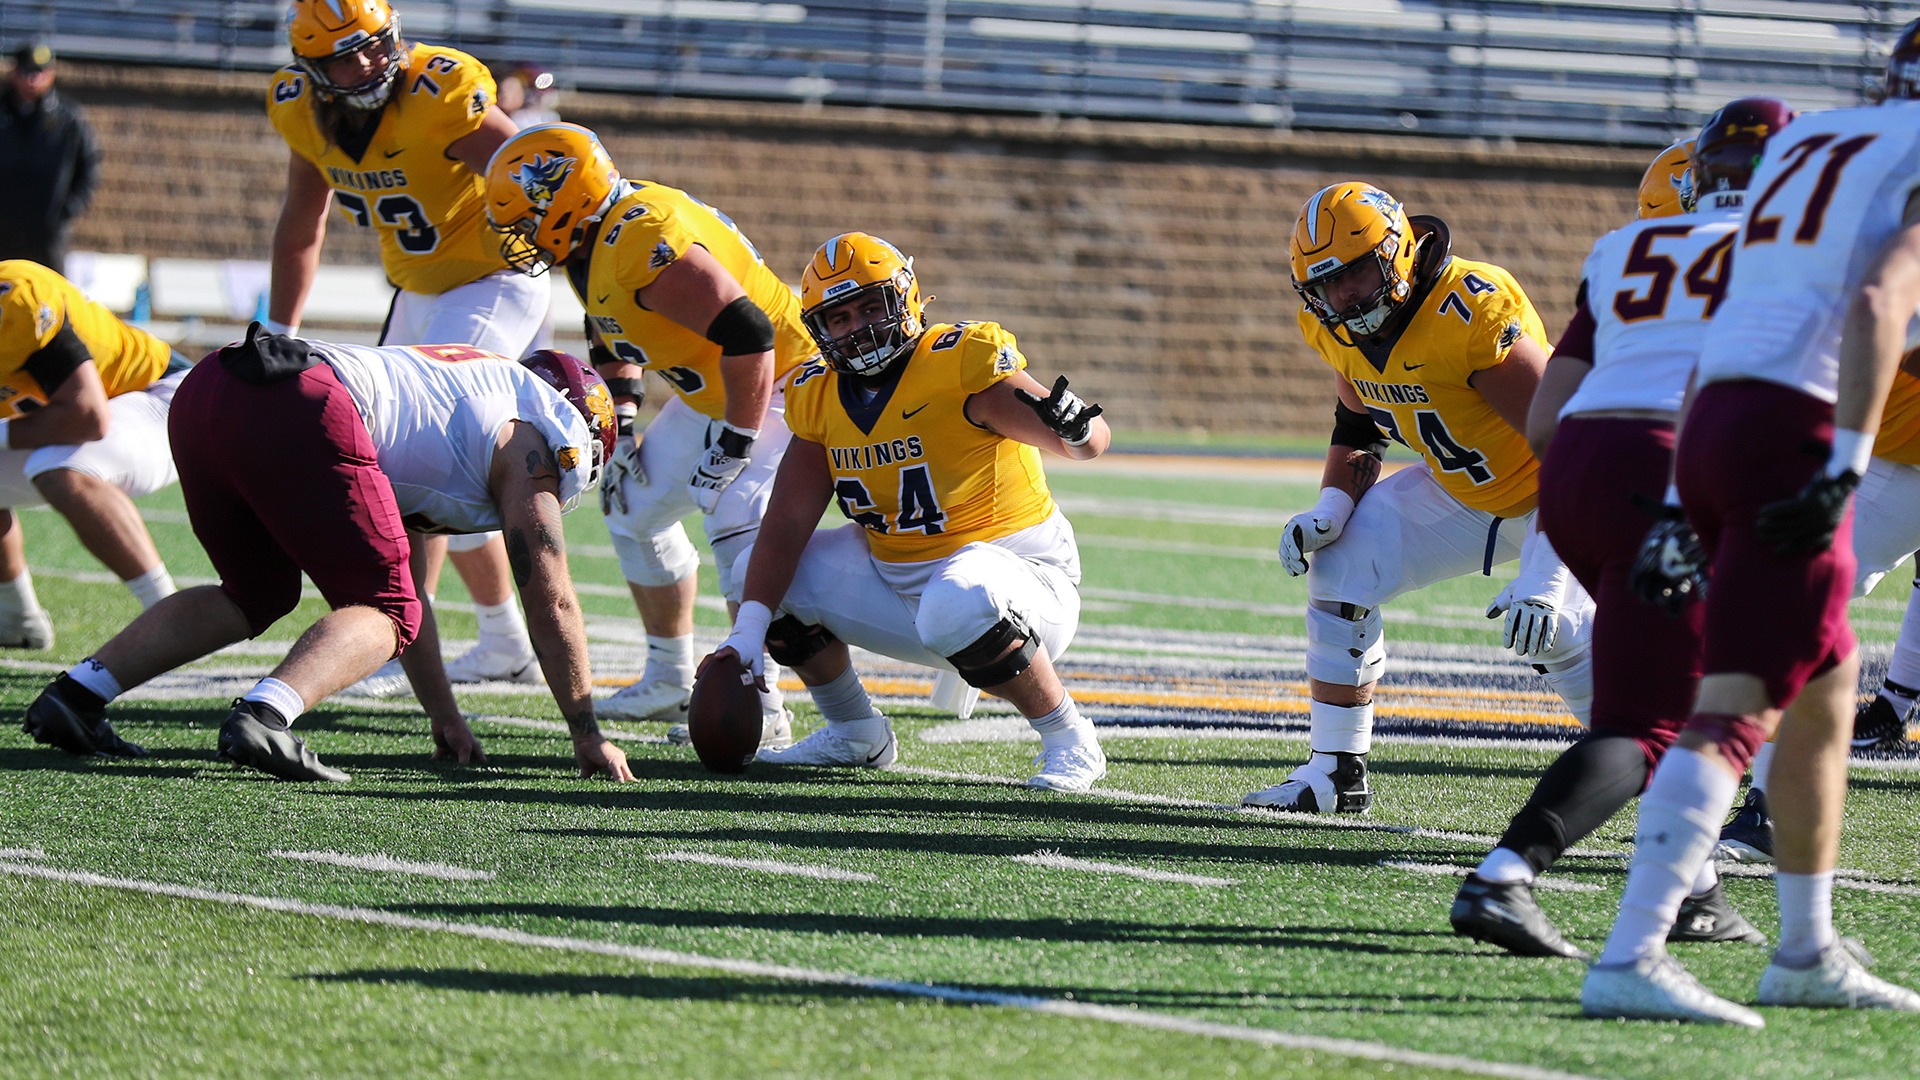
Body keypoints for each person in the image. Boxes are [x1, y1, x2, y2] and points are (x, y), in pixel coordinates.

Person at [1580, 27, 1920, 1024]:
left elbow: (1738, 303)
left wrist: (1691, 484)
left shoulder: (1814, 141)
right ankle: (1632, 953)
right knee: (1739, 699)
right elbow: (1873, 300)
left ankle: (1806, 949)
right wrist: (1848, 463)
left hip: (1720, 402)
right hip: (1795, 426)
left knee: (1825, 685)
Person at [1448, 100, 1793, 960]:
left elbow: (1546, 418)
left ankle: (1696, 892)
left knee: (1683, 692)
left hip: (1577, 477)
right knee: (1664, 721)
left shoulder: (1625, 250)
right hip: (1672, 472)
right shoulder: (1794, 254)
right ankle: (1505, 876)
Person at [19, 327, 632, 784]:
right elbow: (548, 592)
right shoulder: (536, 433)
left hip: (207, 388)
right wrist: (587, 733)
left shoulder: (460, 399)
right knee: (387, 611)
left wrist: (443, 715)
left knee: (255, 591)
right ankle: (267, 714)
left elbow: (408, 578)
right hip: (303, 401)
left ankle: (76, 696)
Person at [701, 232, 1112, 791]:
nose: (860, 327)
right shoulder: (818, 393)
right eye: (840, 318)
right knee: (757, 572)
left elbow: (1082, 444)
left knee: (958, 598)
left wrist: (1080, 430)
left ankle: (1069, 738)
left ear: (908, 298)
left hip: (1021, 581)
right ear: (820, 329)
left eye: (872, 307)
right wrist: (747, 633)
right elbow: (787, 523)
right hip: (900, 583)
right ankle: (854, 731)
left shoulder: (958, 363)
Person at [1243, 182, 1595, 814]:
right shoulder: (1334, 327)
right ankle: (1335, 774)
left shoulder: (1468, 310)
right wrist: (1331, 509)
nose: (1341, 298)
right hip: (1463, 493)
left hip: (1560, 495)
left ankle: (1651, 763)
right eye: (1324, 285)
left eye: (1352, 275)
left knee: (1558, 629)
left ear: (1397, 251)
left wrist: (1546, 575)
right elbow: (1358, 422)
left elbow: (1574, 448)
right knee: (1342, 562)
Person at [483, 121, 808, 744]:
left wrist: (737, 441)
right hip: (714, 390)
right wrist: (625, 423)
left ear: (562, 198)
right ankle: (668, 677)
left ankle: (760, 706)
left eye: (527, 219)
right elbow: (612, 331)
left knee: (736, 519)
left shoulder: (637, 233)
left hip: (785, 385)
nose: (522, 237)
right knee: (631, 505)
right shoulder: (595, 238)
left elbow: (750, 334)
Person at [268, 0, 545, 691]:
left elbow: (537, 177)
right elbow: (303, 225)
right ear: (311, 68)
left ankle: (397, 638)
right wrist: (278, 332)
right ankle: (503, 637)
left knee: (421, 458)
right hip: (417, 291)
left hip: (492, 281)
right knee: (392, 460)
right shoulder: (301, 111)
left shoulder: (442, 92)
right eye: (342, 56)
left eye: (372, 46)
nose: (364, 65)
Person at [0, 260, 186, 649]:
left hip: (168, 398)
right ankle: (17, 620)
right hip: (85, 415)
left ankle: (175, 622)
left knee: (62, 466)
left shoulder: (15, 297)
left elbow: (88, 418)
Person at [0, 41, 99, 276]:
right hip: (2, 231)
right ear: (14, 73)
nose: (32, 80)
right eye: (26, 72)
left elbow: (90, 169)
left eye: (39, 72)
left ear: (51, 74)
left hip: (47, 234)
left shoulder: (68, 120)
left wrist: (64, 211)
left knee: (50, 302)